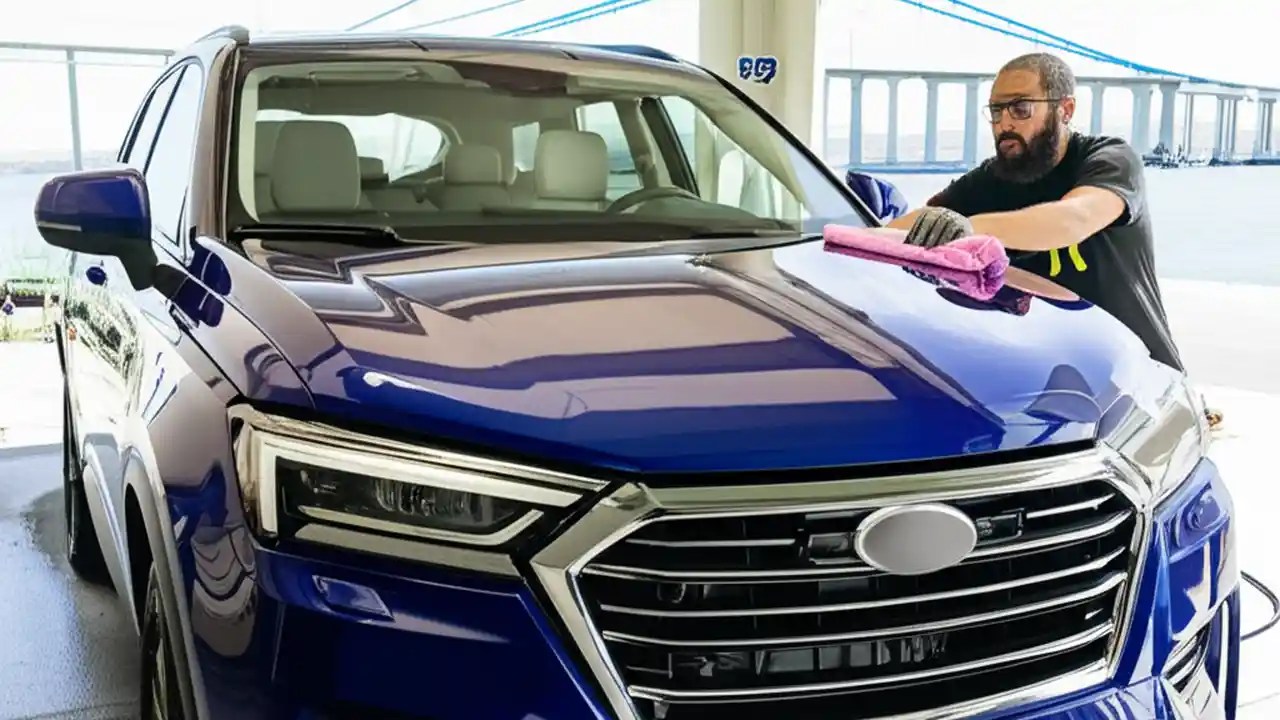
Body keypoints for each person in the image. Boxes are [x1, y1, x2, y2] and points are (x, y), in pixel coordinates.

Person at [886, 51, 1222, 430]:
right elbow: (915, 226)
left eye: (1020, 108)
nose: (1004, 124)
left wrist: (968, 228)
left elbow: (1073, 219)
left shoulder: (1110, 159)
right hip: (1057, 392)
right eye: (996, 112)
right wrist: (851, 241)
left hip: (1145, 386)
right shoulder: (990, 179)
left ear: (1065, 109)